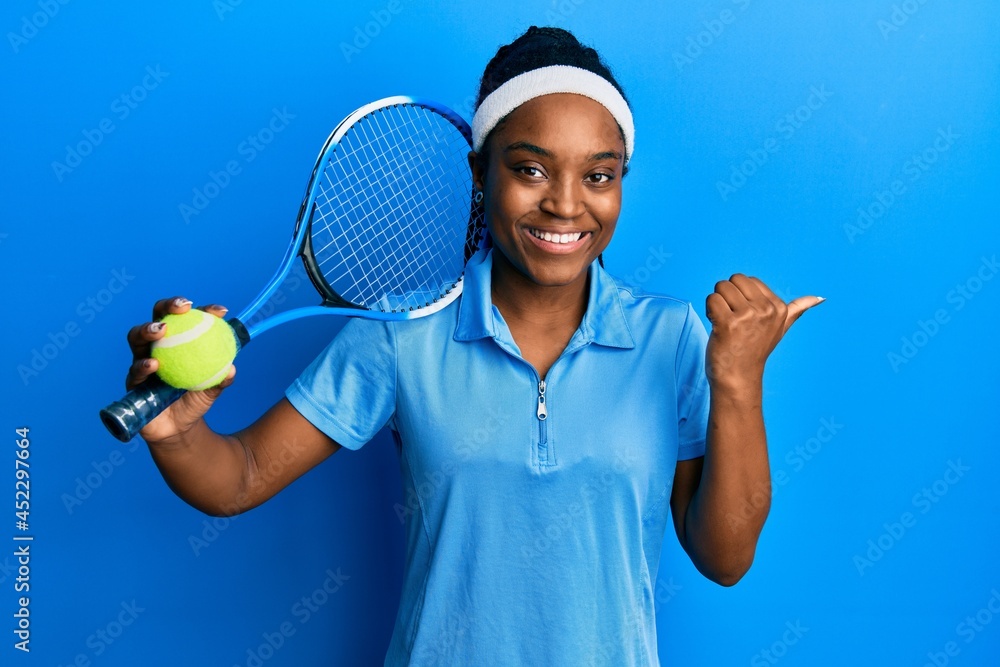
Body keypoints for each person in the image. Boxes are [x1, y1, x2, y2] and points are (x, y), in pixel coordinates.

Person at [125, 26, 822, 667]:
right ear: (480, 173)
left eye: (598, 175)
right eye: (531, 169)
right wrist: (176, 434)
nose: (566, 204)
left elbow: (725, 556)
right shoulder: (401, 332)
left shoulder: (670, 338)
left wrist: (738, 381)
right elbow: (241, 475)